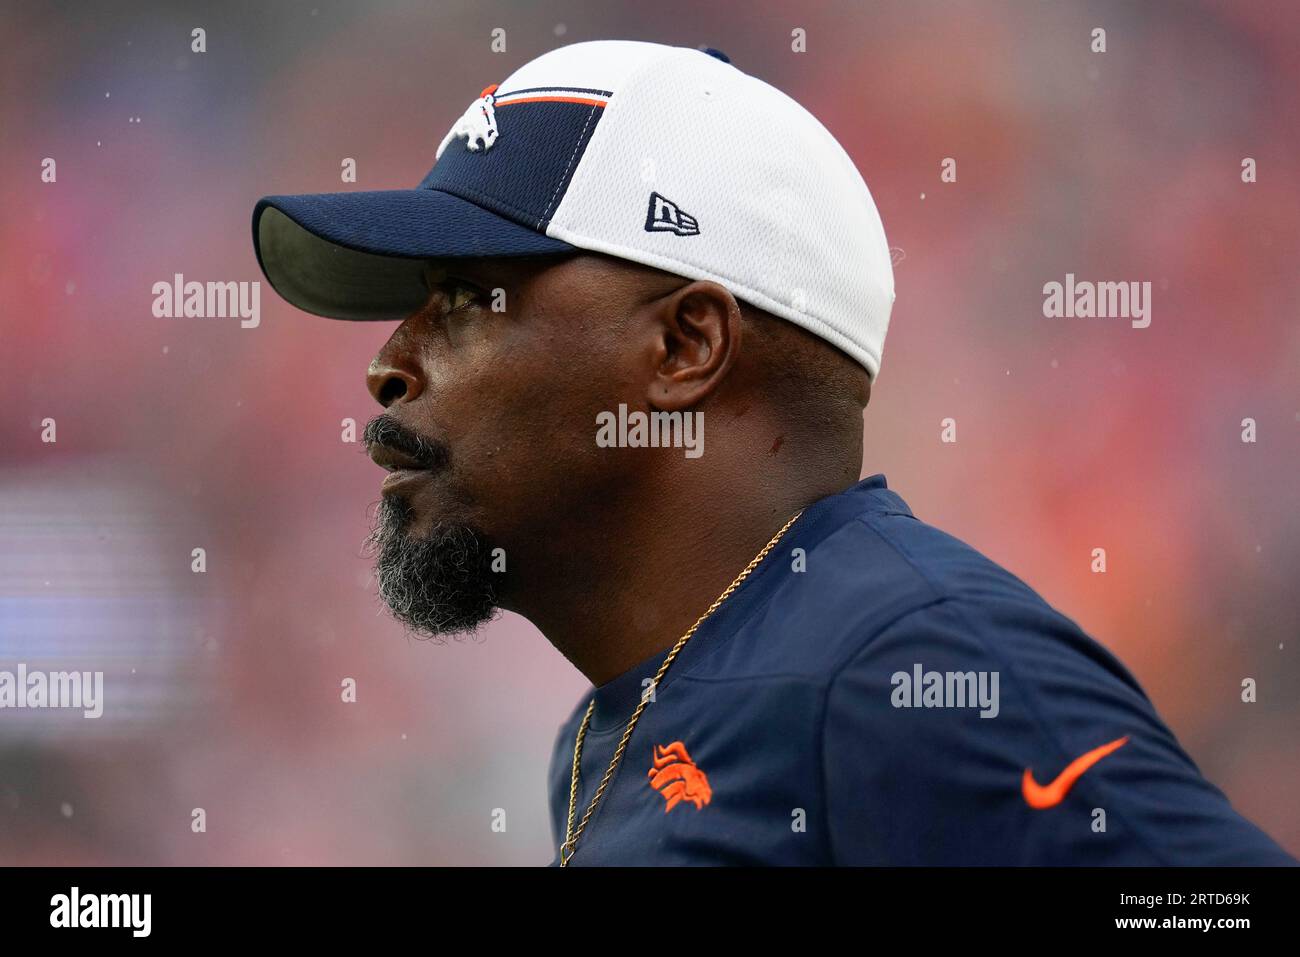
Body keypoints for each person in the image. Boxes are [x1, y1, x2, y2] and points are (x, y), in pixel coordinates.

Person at [251, 40, 1296, 866]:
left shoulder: (910, 670)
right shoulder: (619, 728)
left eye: (464, 300)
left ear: (683, 347)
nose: (387, 365)